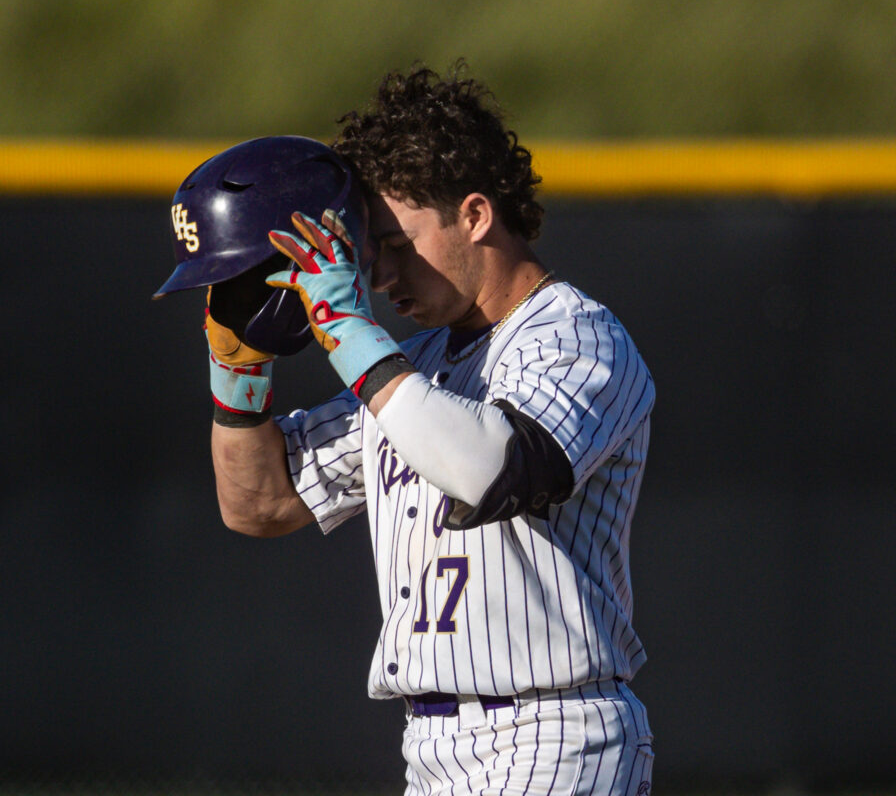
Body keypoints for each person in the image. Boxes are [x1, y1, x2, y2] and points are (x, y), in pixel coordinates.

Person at [164, 64, 656, 795]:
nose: (378, 270)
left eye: (398, 242)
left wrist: (352, 339)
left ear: (476, 215)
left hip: (553, 733)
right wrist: (238, 372)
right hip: (432, 749)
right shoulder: (412, 370)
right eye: (375, 246)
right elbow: (257, 504)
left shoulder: (576, 335)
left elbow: (499, 471)